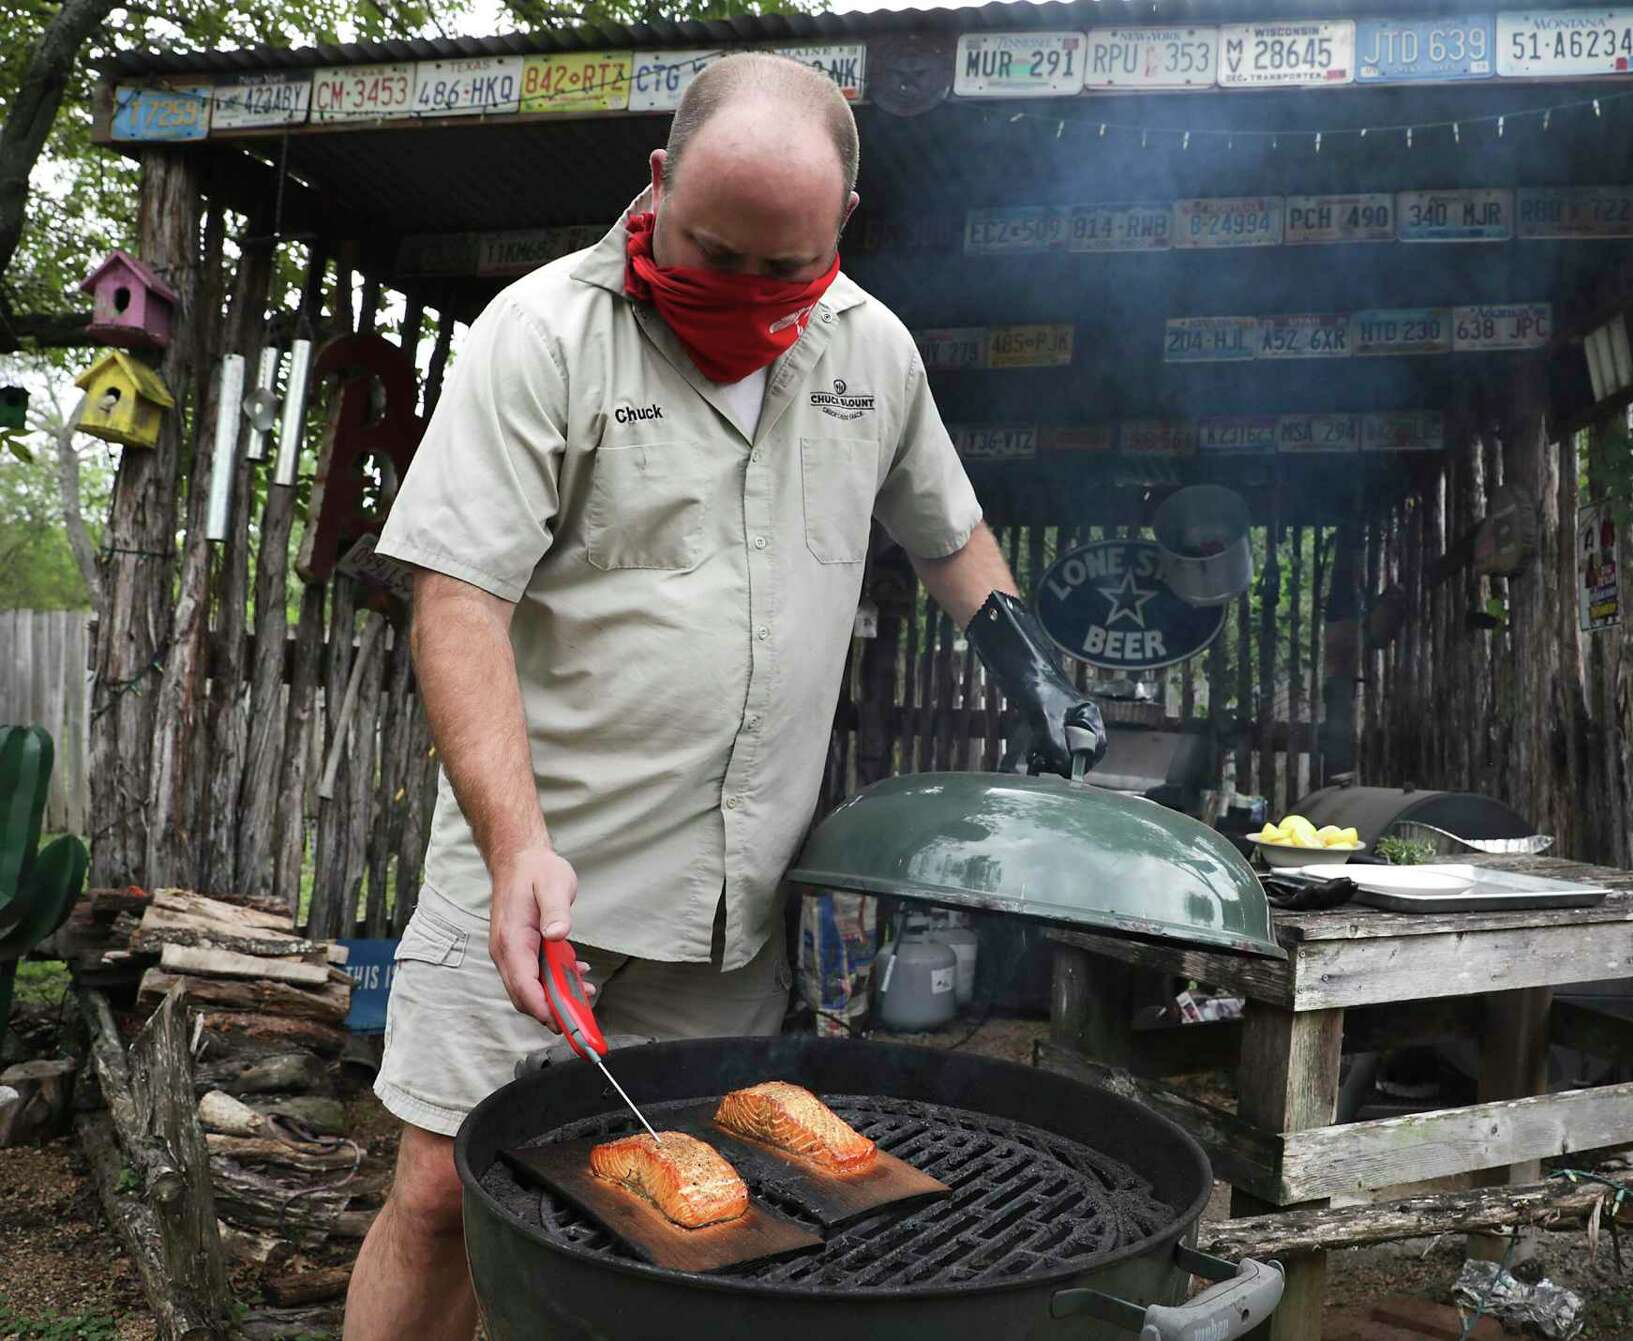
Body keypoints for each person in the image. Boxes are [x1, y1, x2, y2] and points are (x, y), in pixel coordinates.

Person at [341, 52, 1105, 1339]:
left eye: (780, 268)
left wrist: (1030, 662)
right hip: (535, 881)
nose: (744, 295)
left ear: (840, 229)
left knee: (684, 1230)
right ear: (656, 181)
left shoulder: (875, 352)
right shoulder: (541, 336)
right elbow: (456, 597)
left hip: (731, 908)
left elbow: (947, 534)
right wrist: (518, 844)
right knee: (438, 1195)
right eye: (712, 252)